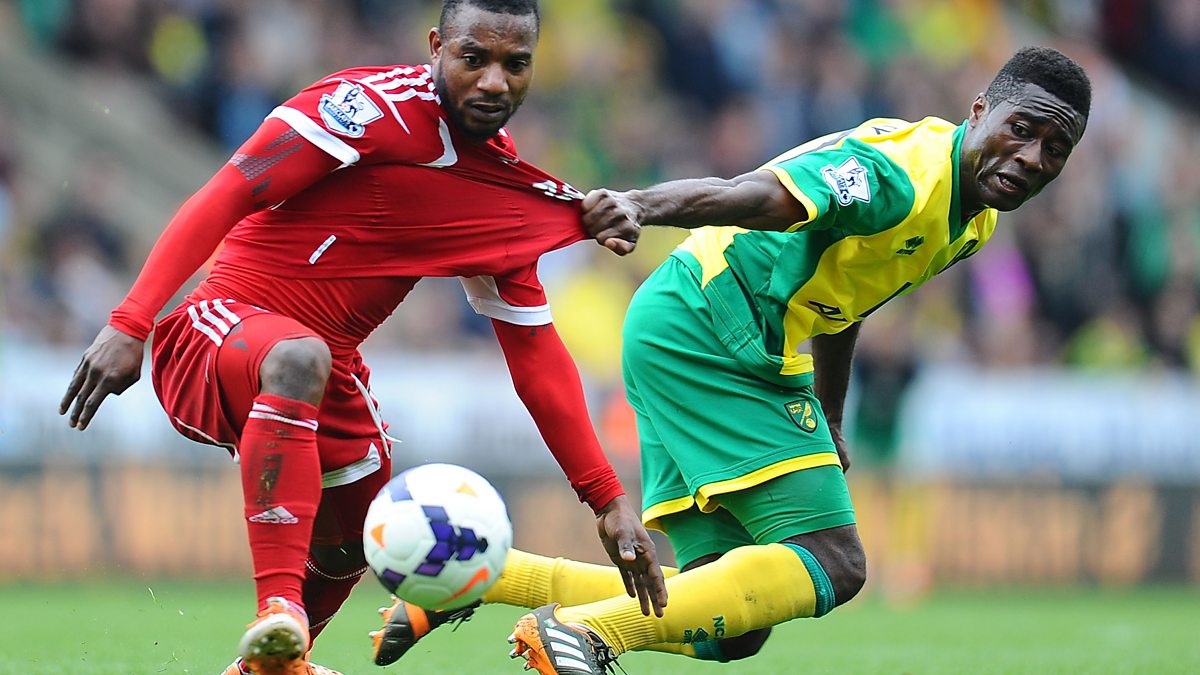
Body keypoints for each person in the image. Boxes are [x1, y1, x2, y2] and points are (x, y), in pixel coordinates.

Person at [56, 1, 667, 674]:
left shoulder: (497, 189)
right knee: (298, 356)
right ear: (436, 46)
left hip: (326, 374)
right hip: (215, 329)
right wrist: (130, 321)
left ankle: (274, 664)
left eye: (514, 64)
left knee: (361, 525)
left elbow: (536, 356)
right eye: (474, 58)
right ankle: (276, 607)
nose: (494, 81)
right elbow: (229, 192)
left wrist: (607, 499)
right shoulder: (366, 109)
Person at [498, 45, 1090, 674]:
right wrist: (642, 205)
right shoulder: (903, 175)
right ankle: (585, 634)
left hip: (696, 326)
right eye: (1021, 130)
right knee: (837, 560)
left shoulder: (973, 220)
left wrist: (831, 414)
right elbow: (756, 195)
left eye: (1054, 149)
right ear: (979, 112)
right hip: (710, 325)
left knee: (728, 627)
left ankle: (479, 574)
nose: (1031, 158)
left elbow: (847, 296)